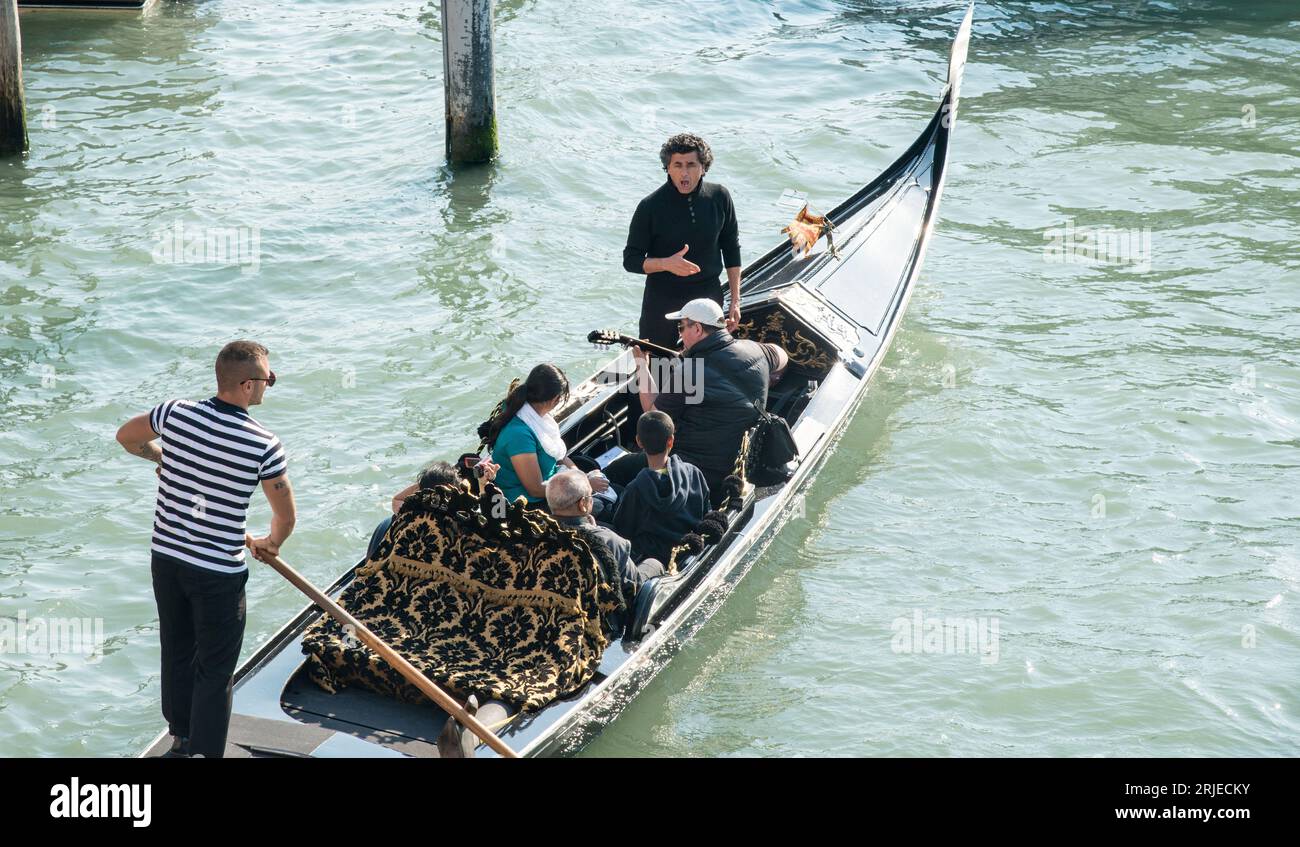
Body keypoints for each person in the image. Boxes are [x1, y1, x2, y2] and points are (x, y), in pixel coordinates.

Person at [115, 339, 295, 758]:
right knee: (215, 671)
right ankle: (205, 753)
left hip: (167, 559)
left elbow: (126, 437)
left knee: (176, 650)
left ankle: (180, 738)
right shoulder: (264, 443)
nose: (270, 384)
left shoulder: (173, 413)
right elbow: (285, 516)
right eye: (269, 378)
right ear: (248, 385)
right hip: (218, 573)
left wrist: (162, 456)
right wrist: (272, 544)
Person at [633, 298, 774, 505]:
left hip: (692, 468)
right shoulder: (756, 349)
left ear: (697, 329)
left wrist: (642, 367)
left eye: (681, 327)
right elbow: (781, 356)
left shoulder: (689, 373)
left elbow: (653, 416)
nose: (679, 334)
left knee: (614, 470)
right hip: (736, 463)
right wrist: (774, 375)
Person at [623, 133, 742, 350]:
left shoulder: (720, 197)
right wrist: (666, 264)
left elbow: (731, 249)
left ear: (703, 167)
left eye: (691, 165)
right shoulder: (650, 206)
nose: (684, 173)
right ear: (668, 168)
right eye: (677, 165)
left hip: (708, 296)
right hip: (662, 300)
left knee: (706, 366)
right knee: (658, 366)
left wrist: (735, 300)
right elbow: (631, 260)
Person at [481, 363, 609, 508]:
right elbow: (535, 489)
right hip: (527, 504)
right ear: (555, 399)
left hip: (554, 484)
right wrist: (584, 486)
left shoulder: (535, 415)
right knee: (601, 506)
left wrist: (580, 476)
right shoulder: (519, 435)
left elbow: (560, 457)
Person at [546, 470, 664, 611]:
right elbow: (633, 586)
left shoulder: (536, 535)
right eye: (591, 496)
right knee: (654, 564)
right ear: (583, 504)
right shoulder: (608, 540)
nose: (592, 499)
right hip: (604, 615)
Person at [612, 411, 710, 566]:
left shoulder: (634, 490)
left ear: (639, 442)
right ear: (670, 441)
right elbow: (706, 512)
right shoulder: (693, 472)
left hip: (655, 561)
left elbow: (623, 531)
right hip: (692, 549)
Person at [371, 458, 500, 558]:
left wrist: (427, 482)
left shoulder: (409, 515)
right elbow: (494, 524)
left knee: (385, 524)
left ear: (420, 490)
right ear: (456, 491)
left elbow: (396, 499)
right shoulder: (460, 525)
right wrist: (485, 484)